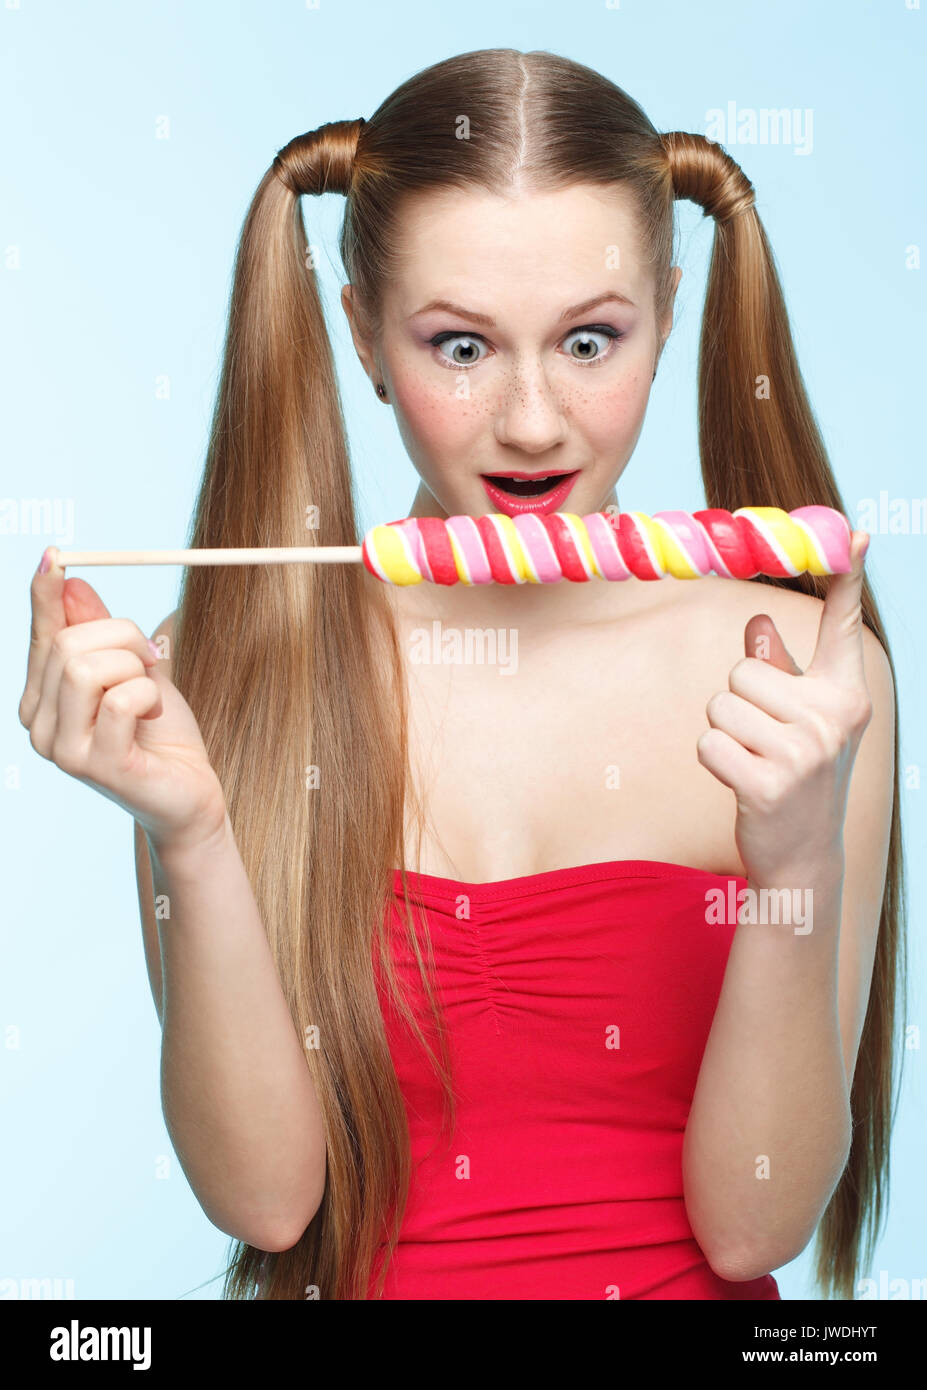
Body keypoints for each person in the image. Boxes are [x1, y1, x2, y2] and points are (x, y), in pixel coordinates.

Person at [18, 48, 905, 1301]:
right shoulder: (220, 677)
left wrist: (797, 867)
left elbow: (757, 1229)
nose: (534, 420)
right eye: (462, 347)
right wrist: (193, 838)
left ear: (672, 306)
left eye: (592, 341)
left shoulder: (806, 677)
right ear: (366, 336)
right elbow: (268, 1203)